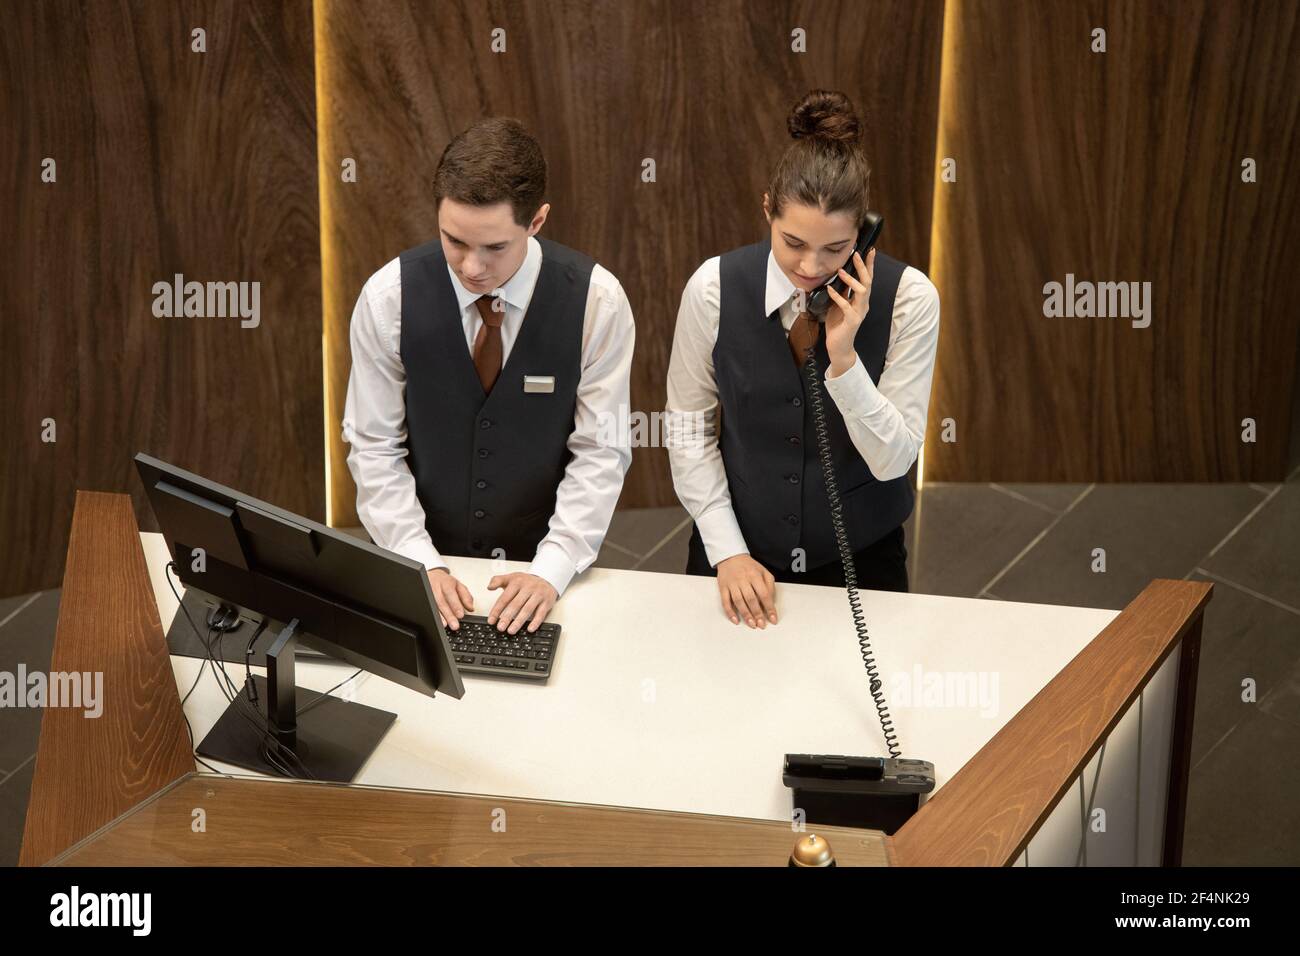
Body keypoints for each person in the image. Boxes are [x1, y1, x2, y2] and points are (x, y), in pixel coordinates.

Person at [342, 117, 635, 634]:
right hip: (416, 561)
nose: (472, 267)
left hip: (545, 570)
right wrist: (418, 559)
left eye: (495, 247)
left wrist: (552, 567)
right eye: (453, 240)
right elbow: (373, 446)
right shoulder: (389, 298)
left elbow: (601, 450)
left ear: (537, 221)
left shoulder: (598, 301)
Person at [665, 90, 940, 629]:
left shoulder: (911, 300)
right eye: (792, 242)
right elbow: (686, 430)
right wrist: (727, 550)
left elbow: (893, 461)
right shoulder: (713, 289)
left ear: (863, 232)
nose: (810, 266)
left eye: (836, 249)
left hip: (863, 555)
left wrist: (843, 358)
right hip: (737, 543)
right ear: (767, 208)